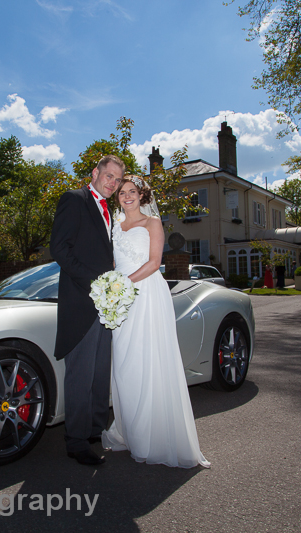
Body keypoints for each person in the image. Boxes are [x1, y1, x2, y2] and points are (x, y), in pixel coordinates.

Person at [101, 176, 210, 469]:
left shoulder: (152, 224)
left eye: (131, 192)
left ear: (142, 195)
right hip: (120, 299)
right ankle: (130, 431)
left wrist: (121, 284)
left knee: (150, 360)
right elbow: (113, 262)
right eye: (122, 193)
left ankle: (155, 437)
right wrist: (109, 286)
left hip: (146, 294)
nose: (126, 197)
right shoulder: (115, 225)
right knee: (125, 363)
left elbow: (153, 263)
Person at [50, 154, 125, 466]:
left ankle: (94, 430)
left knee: (99, 372)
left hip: (105, 307)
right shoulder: (74, 199)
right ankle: (76, 441)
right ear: (95, 173)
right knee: (80, 375)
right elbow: (60, 249)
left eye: (117, 180)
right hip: (82, 303)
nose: (112, 183)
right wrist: (95, 284)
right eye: (108, 176)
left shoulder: (108, 210)